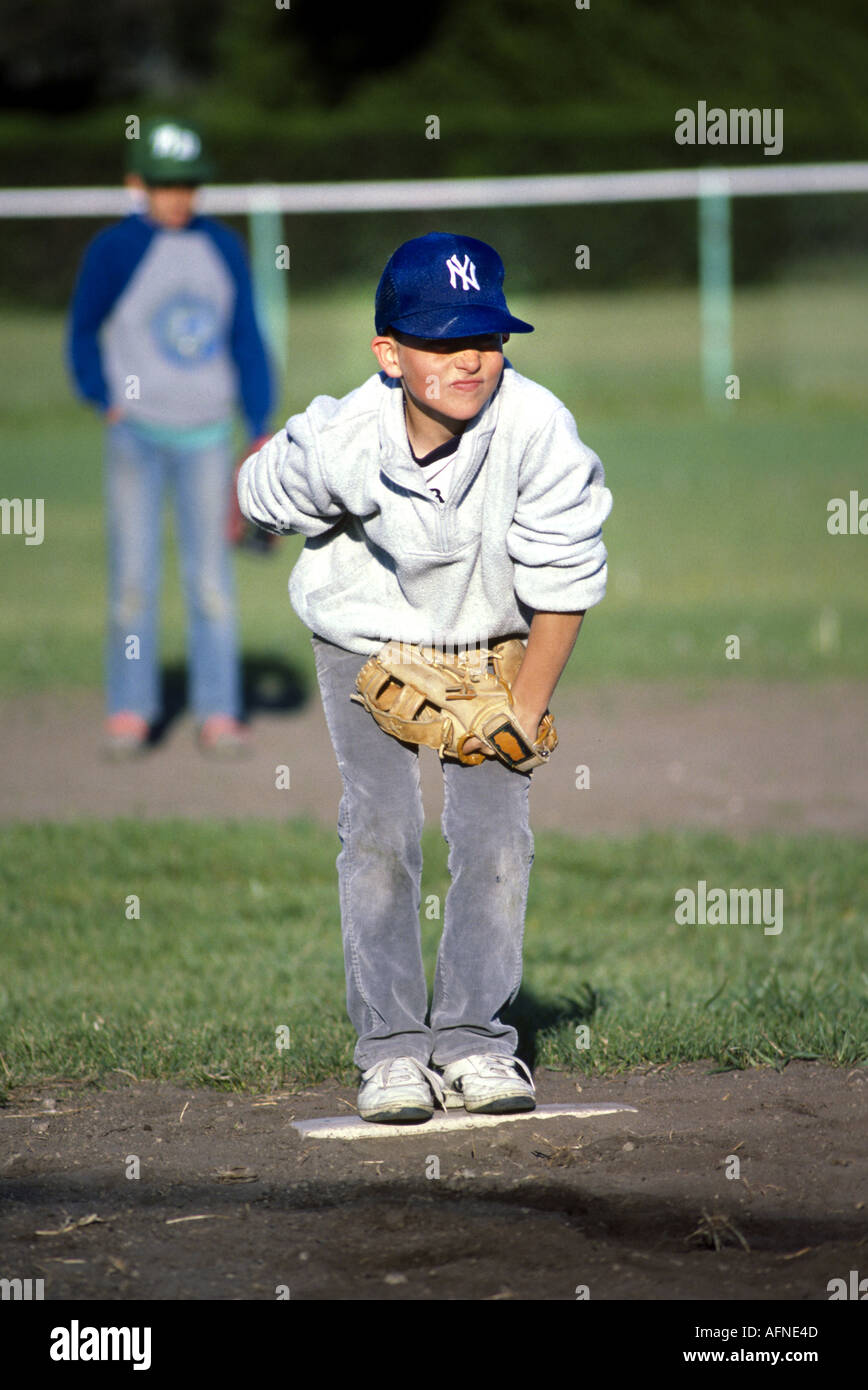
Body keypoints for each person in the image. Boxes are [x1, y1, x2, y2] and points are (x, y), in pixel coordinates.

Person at [238, 231, 612, 1121]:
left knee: (495, 842)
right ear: (390, 353)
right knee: (381, 830)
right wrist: (309, 494)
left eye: (483, 337)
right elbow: (257, 493)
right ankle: (394, 1053)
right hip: (363, 644)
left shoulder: (537, 429)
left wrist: (524, 709)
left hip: (489, 650)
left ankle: (477, 1045)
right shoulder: (345, 436)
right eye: (438, 341)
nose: (466, 359)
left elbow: (566, 574)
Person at [67, 120, 273, 756]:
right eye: (164, 185)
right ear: (137, 185)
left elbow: (247, 339)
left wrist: (259, 425)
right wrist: (104, 401)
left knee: (211, 580)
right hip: (137, 436)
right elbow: (82, 331)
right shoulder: (113, 249)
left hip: (209, 435)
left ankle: (218, 713)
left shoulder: (223, 247)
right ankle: (131, 710)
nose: (178, 197)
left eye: (188, 184)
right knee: (133, 579)